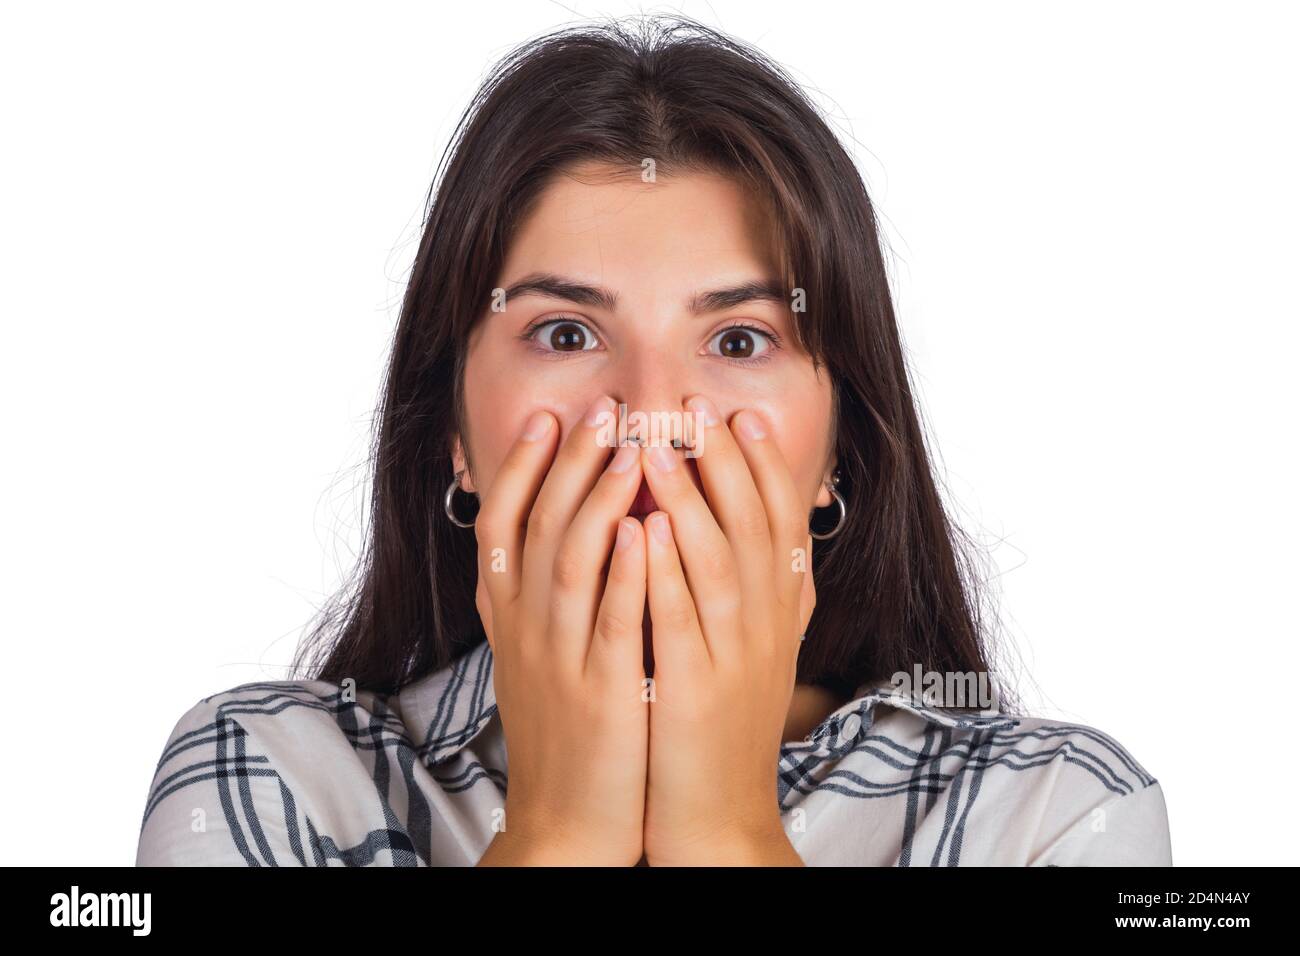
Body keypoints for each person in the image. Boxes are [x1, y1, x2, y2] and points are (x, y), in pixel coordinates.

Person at [135, 16, 1171, 866]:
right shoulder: (266, 770)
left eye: (736, 338)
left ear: (839, 449)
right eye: (566, 332)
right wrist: (560, 828)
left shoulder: (1053, 813)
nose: (646, 412)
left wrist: (723, 829)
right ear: (453, 433)